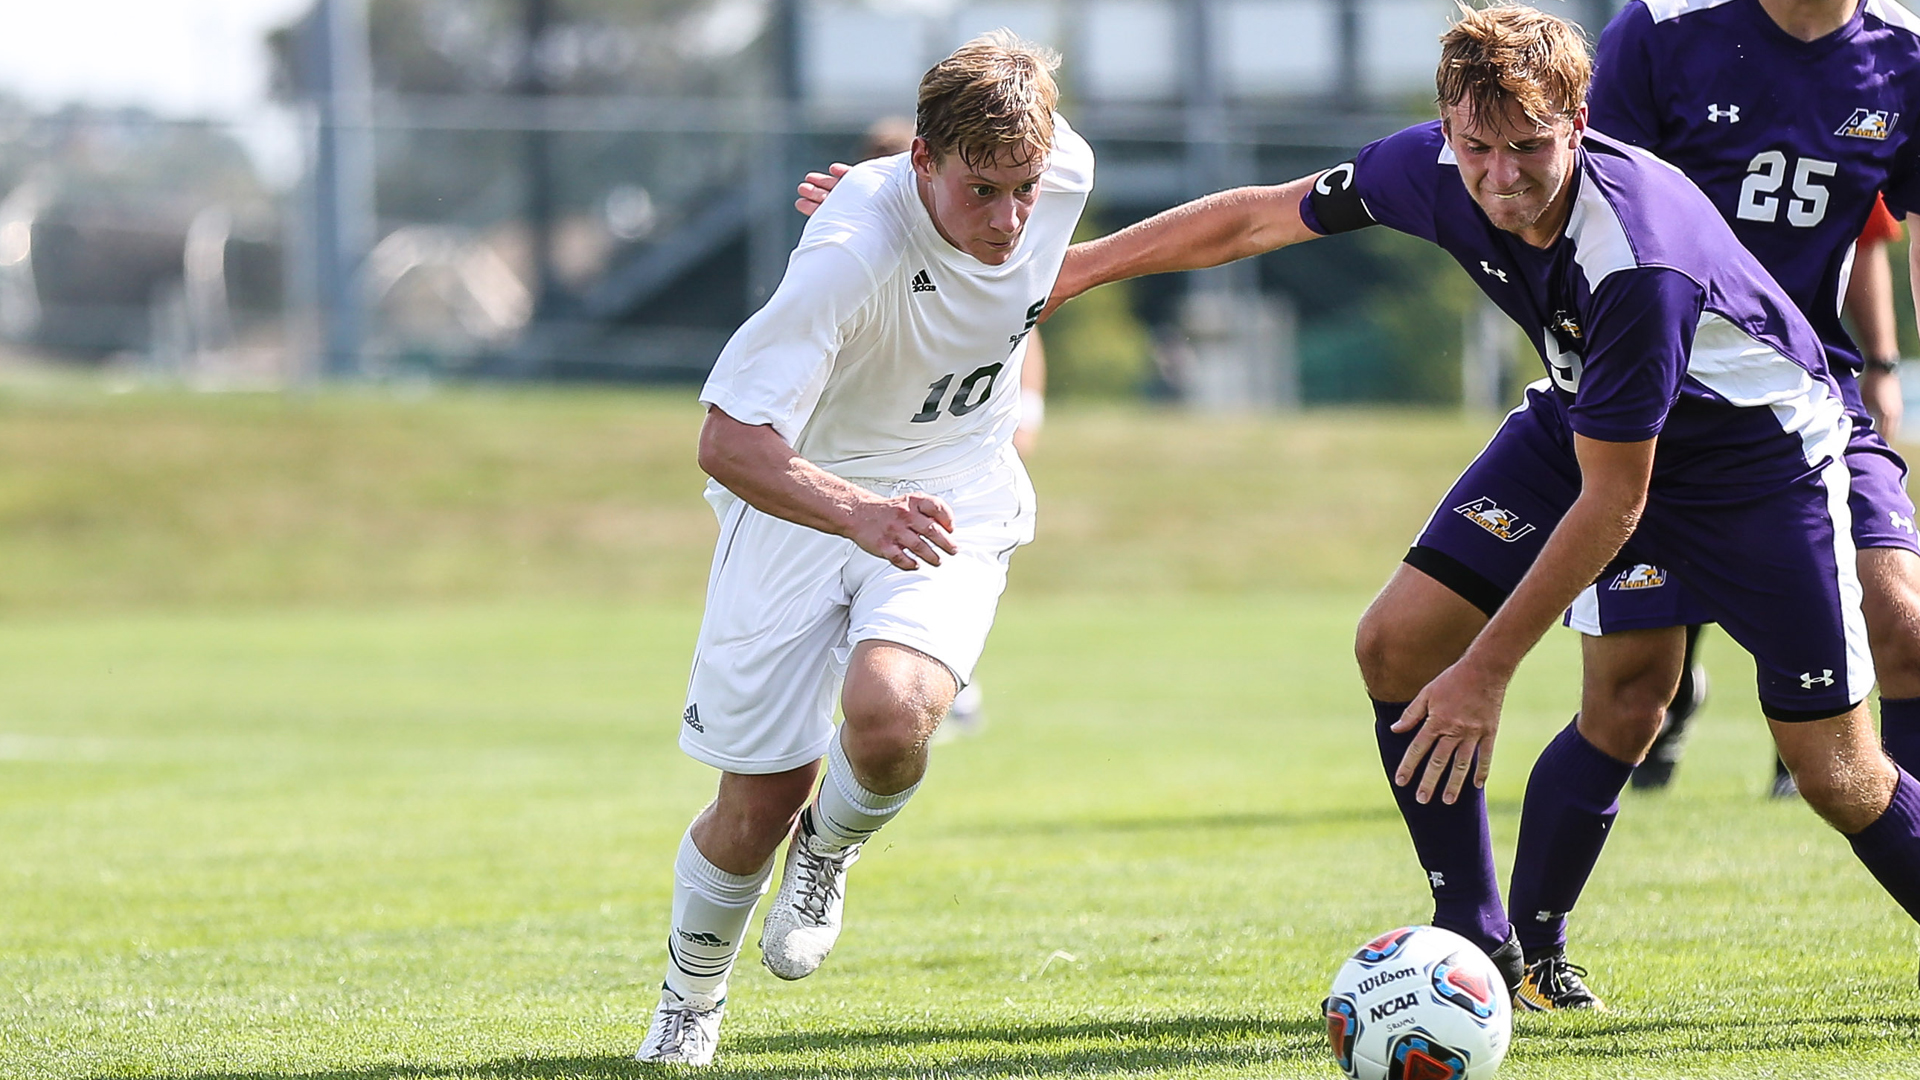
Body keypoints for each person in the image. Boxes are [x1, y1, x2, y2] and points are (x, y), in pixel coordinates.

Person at [1044, 0, 1920, 1005]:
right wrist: (1079, 269)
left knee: (1837, 771)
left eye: (1529, 148)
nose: (1500, 179)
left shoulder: (1638, 256)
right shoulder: (1429, 165)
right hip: (1590, 417)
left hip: (1751, 463)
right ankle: (1479, 938)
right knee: (1397, 645)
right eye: (1476, 148)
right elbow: (1256, 217)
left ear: (1580, 121)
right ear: (1447, 129)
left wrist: (1487, 674)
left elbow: (1612, 507)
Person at [636, 31, 1091, 1066]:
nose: (1013, 218)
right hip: (803, 501)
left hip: (955, 498)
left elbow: (1080, 253)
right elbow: (725, 442)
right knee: (755, 803)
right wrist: (857, 514)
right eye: (983, 191)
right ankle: (688, 1000)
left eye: (1025, 187)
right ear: (924, 164)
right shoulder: (845, 260)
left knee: (889, 720)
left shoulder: (1058, 168)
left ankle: (830, 851)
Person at [1501, 0, 1920, 1008]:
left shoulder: (1906, 54)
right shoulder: (1664, 31)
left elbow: (1881, 232)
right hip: (1653, 413)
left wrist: (1896, 369)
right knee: (1633, 692)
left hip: (1809, 405)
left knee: (1902, 619)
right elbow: (1593, 212)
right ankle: (1531, 956)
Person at [1635, 204, 1906, 801]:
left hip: (1810, 390)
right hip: (1683, 387)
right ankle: (1675, 704)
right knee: (1647, 642)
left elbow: (1867, 235)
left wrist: (1882, 361)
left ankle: (1818, 750)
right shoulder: (1653, 121)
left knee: (1862, 589)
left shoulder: (1866, 112)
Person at [802, 118, 1055, 739]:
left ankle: (935, 681)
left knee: (936, 559)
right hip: (852, 461)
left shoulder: (992, 247)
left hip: (946, 448)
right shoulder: (851, 245)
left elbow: (1028, 320)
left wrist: (1026, 412)